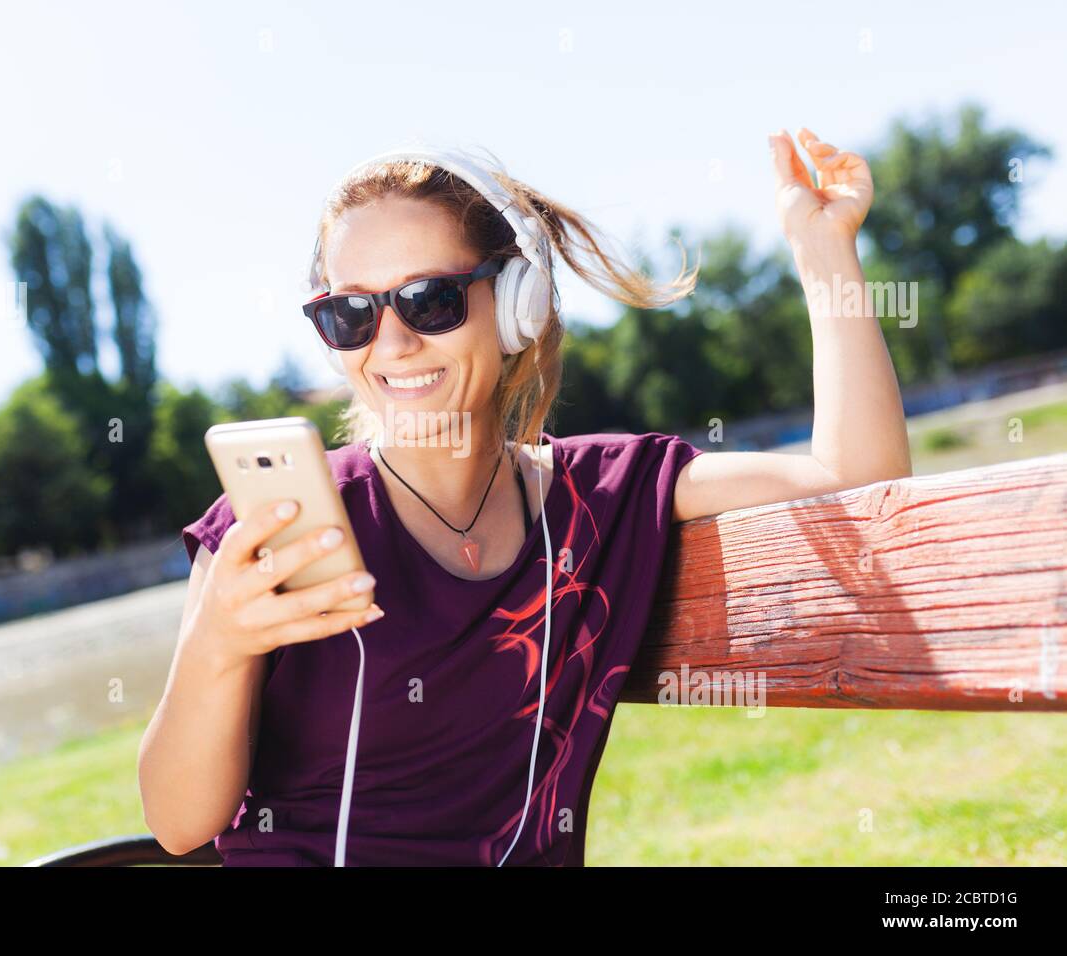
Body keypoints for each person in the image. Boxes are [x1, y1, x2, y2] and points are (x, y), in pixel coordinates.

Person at [138, 130, 911, 866]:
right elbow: (178, 825)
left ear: (519, 304)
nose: (394, 343)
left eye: (429, 300)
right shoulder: (264, 529)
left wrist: (823, 248)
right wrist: (220, 642)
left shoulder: (605, 498)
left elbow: (857, 482)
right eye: (351, 314)